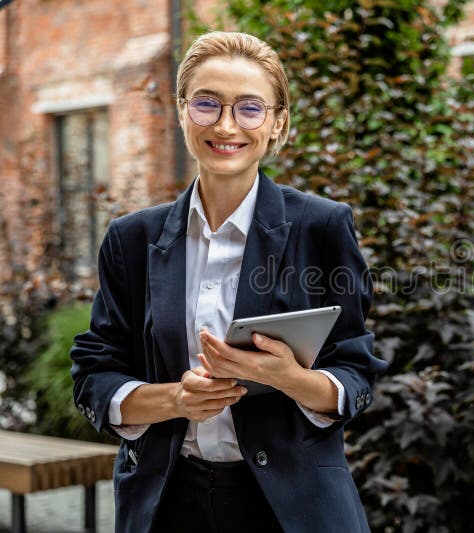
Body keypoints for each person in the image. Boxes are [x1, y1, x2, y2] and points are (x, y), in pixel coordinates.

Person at [70, 31, 387, 533]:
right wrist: (175, 399)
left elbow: (356, 374)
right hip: (167, 506)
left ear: (277, 120)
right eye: (206, 104)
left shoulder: (322, 227)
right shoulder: (131, 239)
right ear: (181, 112)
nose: (225, 125)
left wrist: (288, 377)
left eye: (248, 108)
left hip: (293, 509)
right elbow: (93, 374)